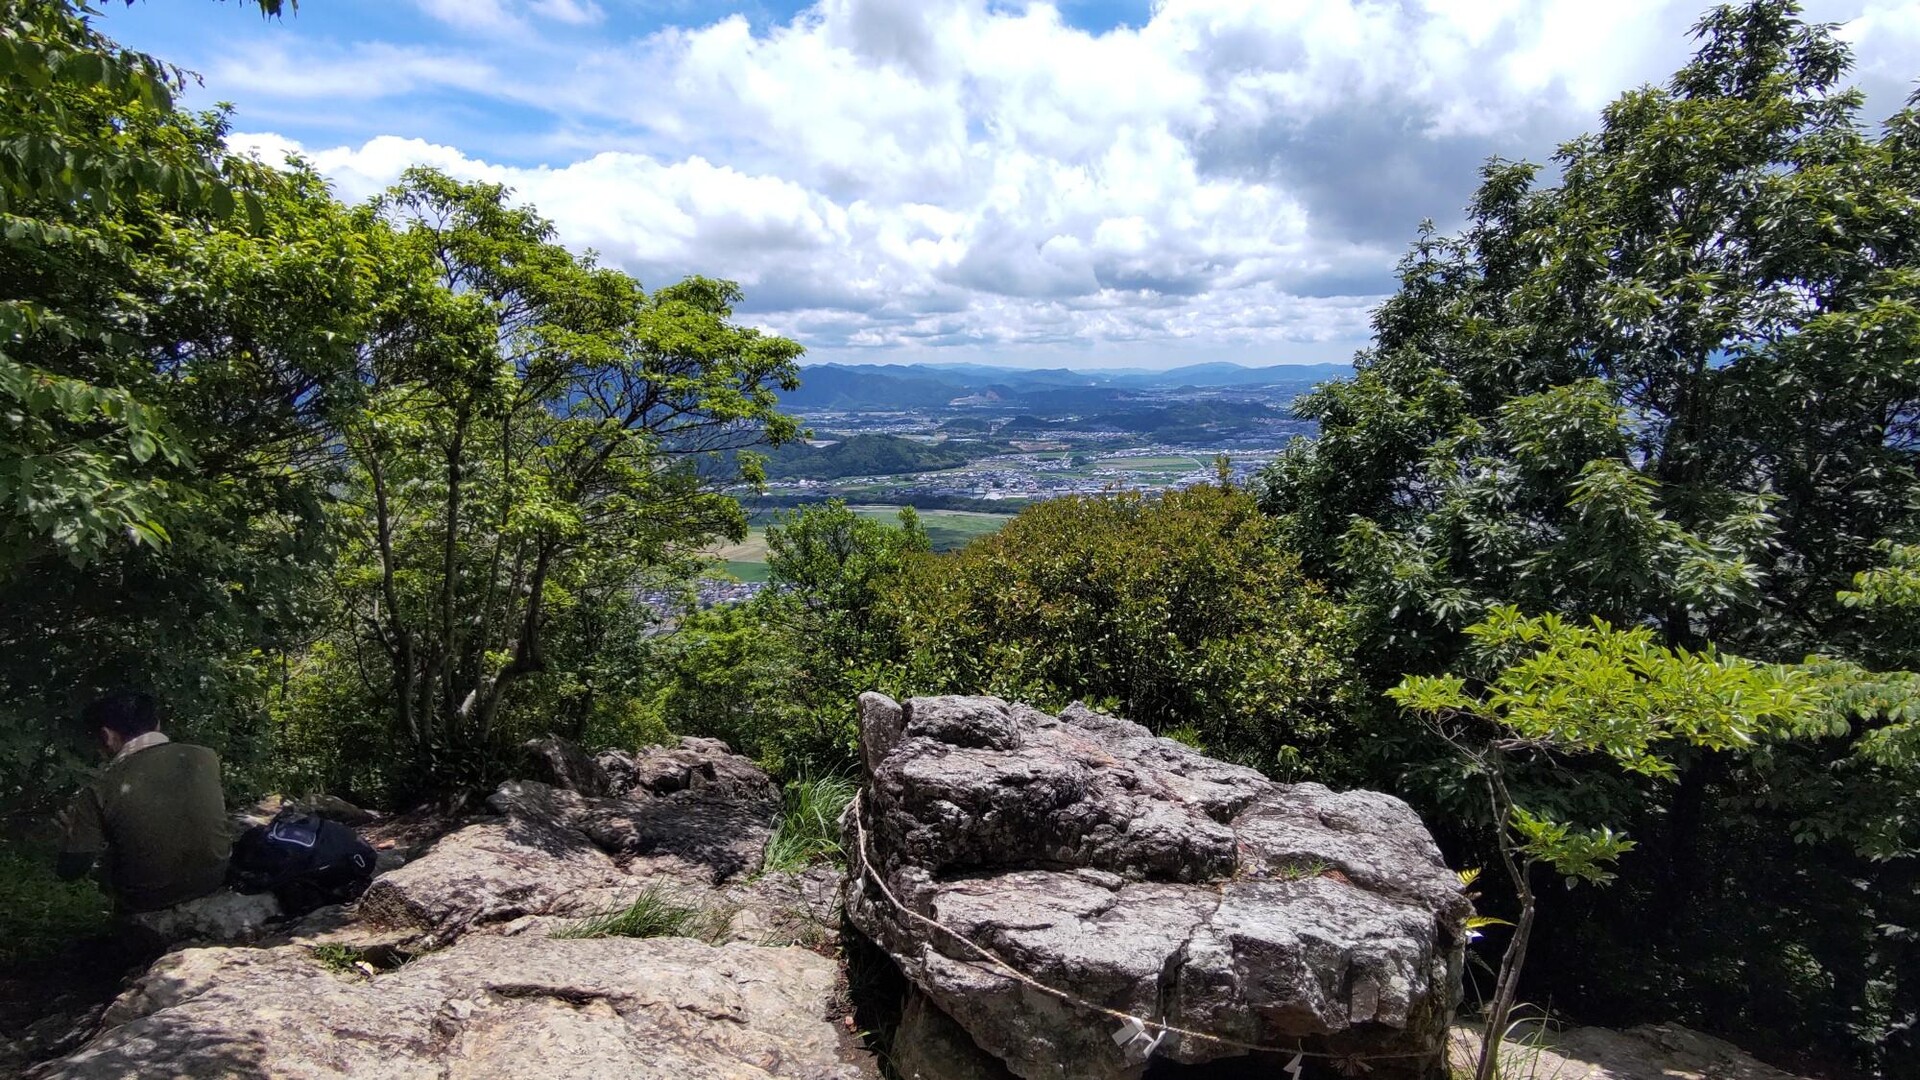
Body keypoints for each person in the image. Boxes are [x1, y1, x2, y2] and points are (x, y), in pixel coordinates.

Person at [56, 690, 233, 920]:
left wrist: (70, 837)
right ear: (156, 724)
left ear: (106, 736)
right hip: (213, 880)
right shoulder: (205, 757)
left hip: (148, 899)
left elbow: (71, 871)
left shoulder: (99, 788)